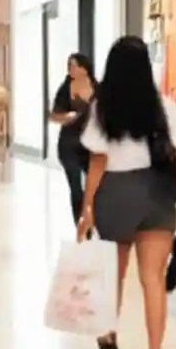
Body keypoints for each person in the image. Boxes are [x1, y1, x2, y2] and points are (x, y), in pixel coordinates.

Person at [76, 36, 176, 349]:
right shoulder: (163, 106)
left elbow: (98, 161)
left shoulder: (102, 108)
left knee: (116, 272)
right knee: (153, 278)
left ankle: (109, 333)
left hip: (116, 193)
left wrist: (87, 208)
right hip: (156, 193)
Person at [51, 53, 97, 224]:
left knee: (96, 186)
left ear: (85, 68)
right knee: (76, 187)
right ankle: (79, 223)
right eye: (69, 65)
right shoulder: (65, 88)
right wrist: (66, 118)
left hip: (91, 144)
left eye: (74, 65)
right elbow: (54, 115)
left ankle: (93, 219)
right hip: (69, 144)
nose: (70, 69)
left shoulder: (97, 87)